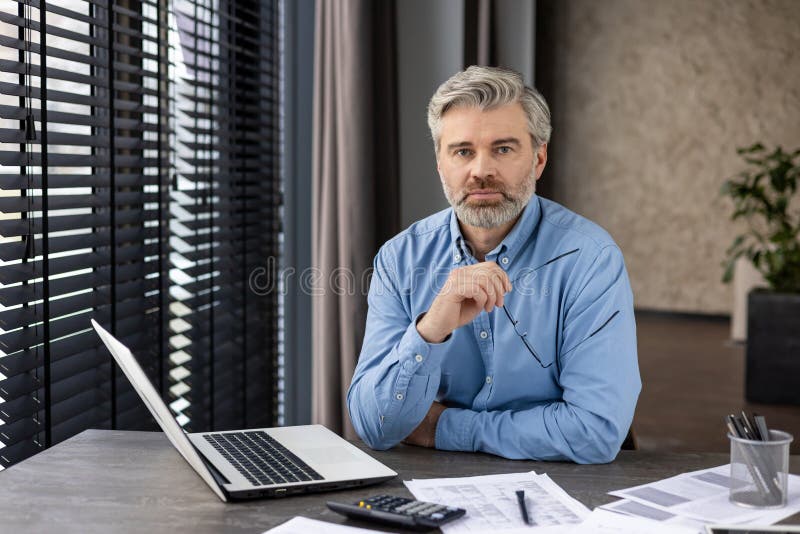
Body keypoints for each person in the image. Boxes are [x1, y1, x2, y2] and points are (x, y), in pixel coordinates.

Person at [347, 66, 640, 464]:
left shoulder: (590, 259)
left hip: (564, 490)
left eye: (503, 149)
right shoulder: (400, 259)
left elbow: (594, 431)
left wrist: (441, 427)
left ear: (538, 160)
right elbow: (374, 425)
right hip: (436, 490)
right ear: (440, 165)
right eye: (463, 151)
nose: (481, 170)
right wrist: (430, 329)